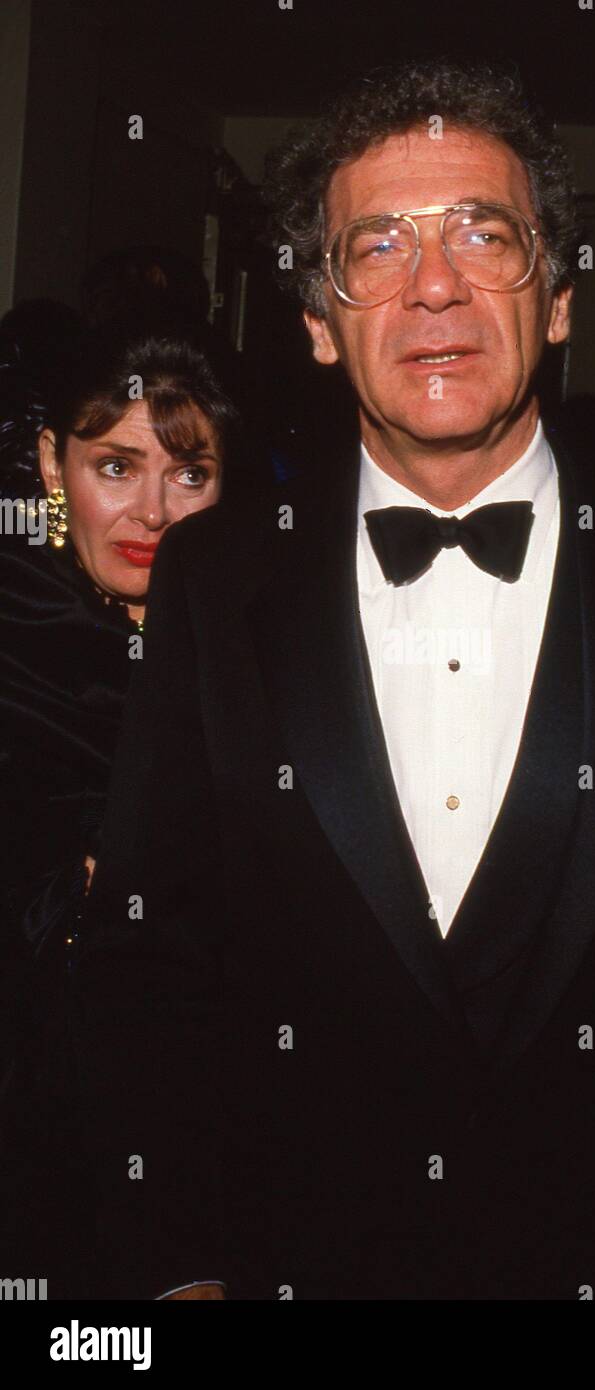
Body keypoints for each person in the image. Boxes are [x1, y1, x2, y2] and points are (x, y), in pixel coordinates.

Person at [78, 59, 595, 1301]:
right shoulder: (217, 577)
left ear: (556, 295)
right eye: (377, 245)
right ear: (319, 320)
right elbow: (155, 956)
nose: (433, 283)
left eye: (482, 235)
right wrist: (179, 1267)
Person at [0, 322, 240, 1297]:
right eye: (115, 465)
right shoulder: (16, 645)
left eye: (189, 475)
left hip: (220, 1124)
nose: (151, 511)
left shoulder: (260, 653)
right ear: (52, 466)